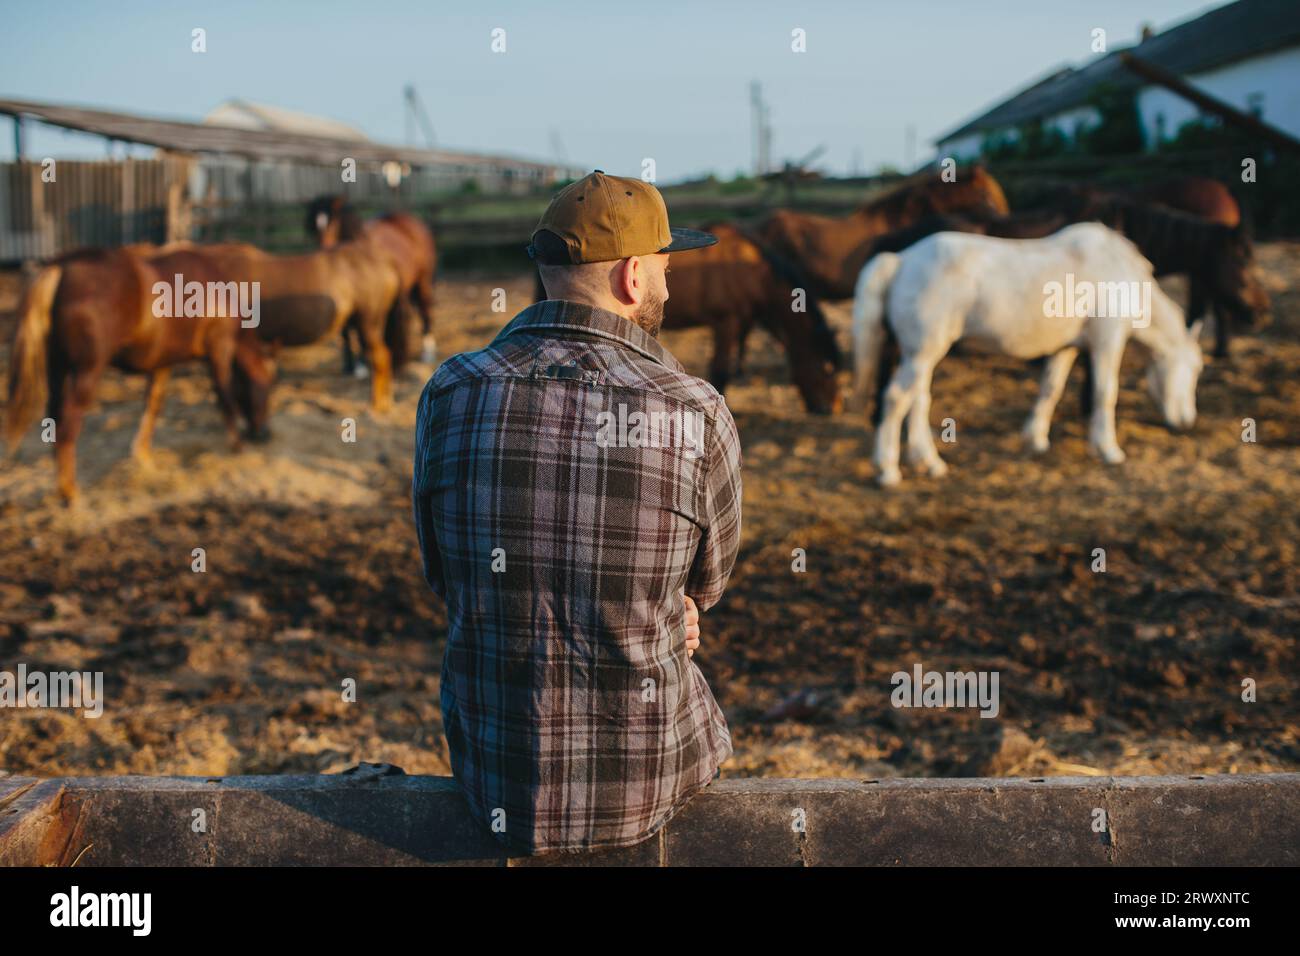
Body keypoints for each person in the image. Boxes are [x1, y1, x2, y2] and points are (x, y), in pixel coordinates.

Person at [413, 170, 743, 853]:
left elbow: (444, 574)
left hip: (495, 770)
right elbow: (706, 586)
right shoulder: (694, 409)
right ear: (631, 280)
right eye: (664, 270)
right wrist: (667, 605)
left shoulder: (450, 391)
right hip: (645, 782)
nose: (670, 288)